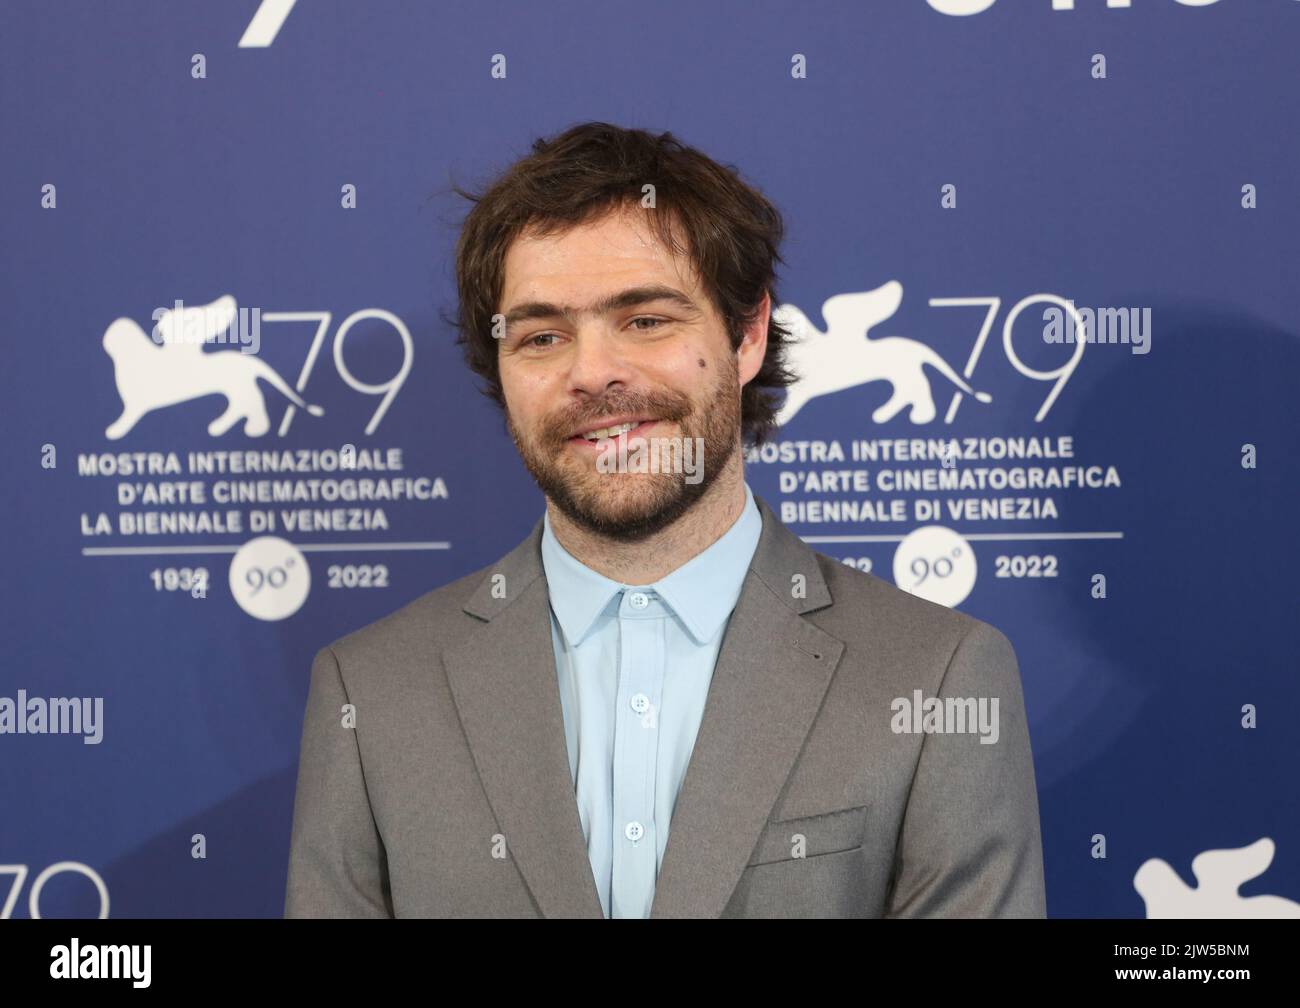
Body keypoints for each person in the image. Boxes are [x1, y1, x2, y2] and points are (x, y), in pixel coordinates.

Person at [284, 121, 1046, 918]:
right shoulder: (369, 691)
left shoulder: (937, 675)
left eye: (646, 320)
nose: (593, 374)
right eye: (542, 336)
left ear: (748, 336)